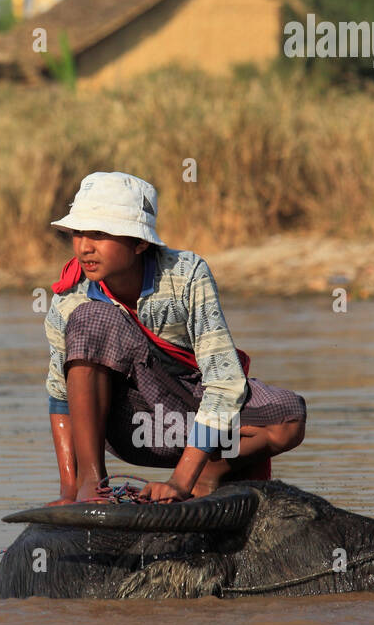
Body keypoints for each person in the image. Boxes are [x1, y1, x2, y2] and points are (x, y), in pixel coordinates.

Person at [43, 172, 306, 504]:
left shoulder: (186, 275)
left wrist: (181, 480)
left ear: (140, 243)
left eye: (99, 234)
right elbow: (60, 395)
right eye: (78, 233)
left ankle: (209, 472)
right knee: (91, 316)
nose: (84, 247)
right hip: (133, 427)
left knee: (289, 417)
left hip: (188, 418)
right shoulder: (70, 298)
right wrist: (70, 490)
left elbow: (224, 383)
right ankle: (92, 483)